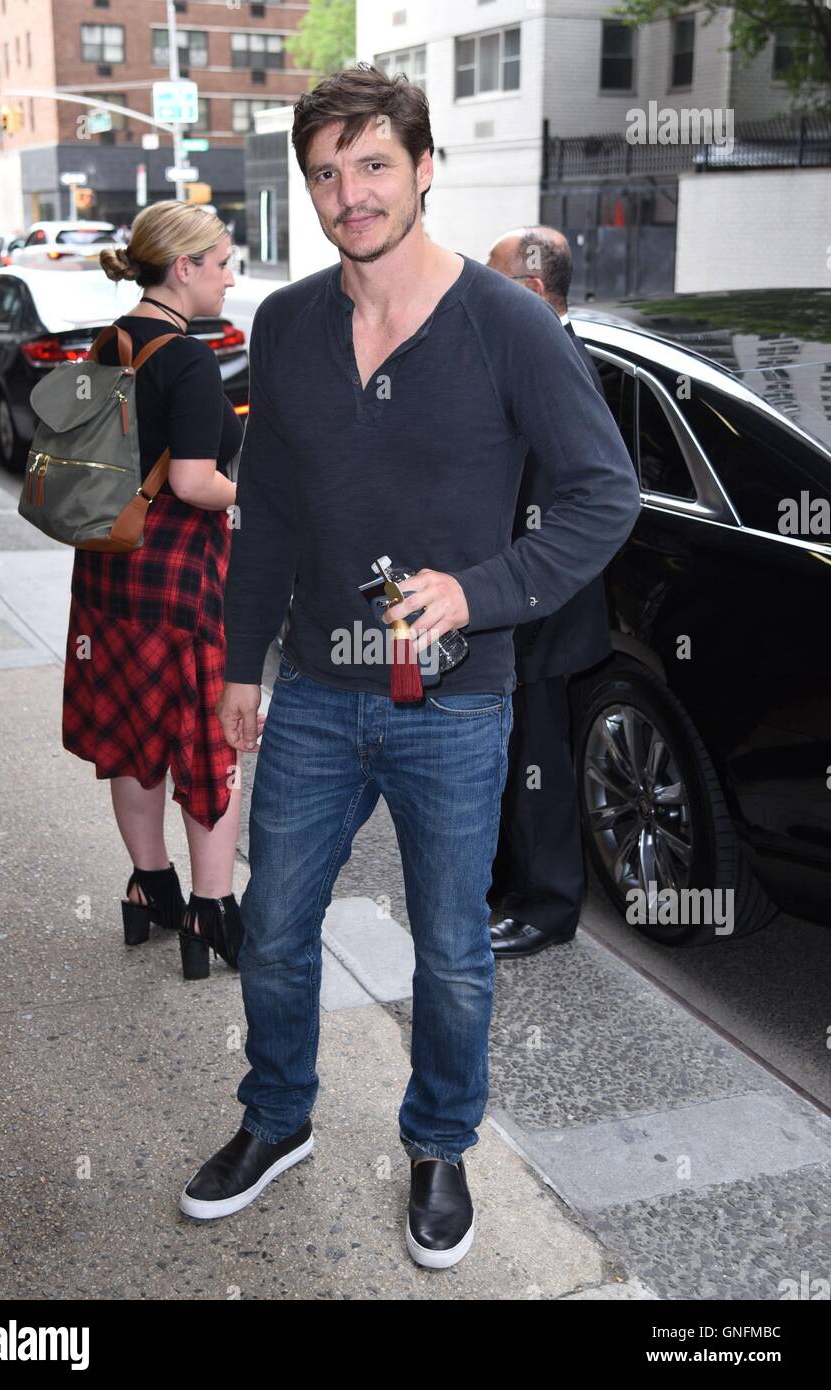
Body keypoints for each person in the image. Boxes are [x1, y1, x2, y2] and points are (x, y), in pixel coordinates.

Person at [178, 68, 641, 1267]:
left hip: (455, 705)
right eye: (326, 173)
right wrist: (238, 664)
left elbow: (602, 496)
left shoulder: (507, 323)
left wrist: (478, 592)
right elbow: (267, 506)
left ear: (424, 167)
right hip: (318, 693)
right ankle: (275, 1119)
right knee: (274, 924)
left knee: (449, 950)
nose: (349, 192)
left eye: (373, 163)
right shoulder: (282, 325)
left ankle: (437, 1145)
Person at [61, 201, 244, 980]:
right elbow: (199, 484)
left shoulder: (109, 342)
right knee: (211, 742)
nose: (232, 277)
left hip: (108, 571)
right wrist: (258, 494)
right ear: (184, 268)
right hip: (177, 579)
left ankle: (152, 885)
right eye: (223, 262)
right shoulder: (188, 359)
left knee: (135, 739)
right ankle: (213, 908)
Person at [485, 226, 615, 959]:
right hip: (517, 594)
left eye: (493, 274)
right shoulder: (532, 349)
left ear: (532, 291)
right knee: (513, 751)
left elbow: (567, 494)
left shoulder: (555, 361)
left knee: (538, 757)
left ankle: (546, 907)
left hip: (542, 597)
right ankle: (510, 887)